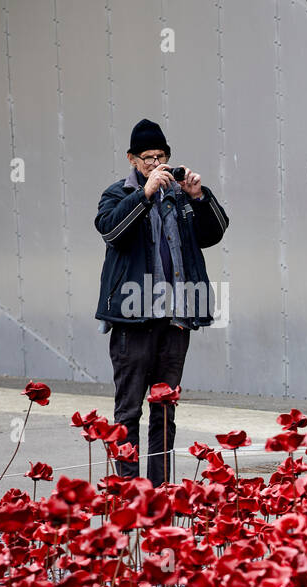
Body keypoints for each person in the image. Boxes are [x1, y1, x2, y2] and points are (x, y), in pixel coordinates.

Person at [93, 118, 229, 486]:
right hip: (132, 321)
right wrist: (145, 193)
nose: (156, 163)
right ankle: (127, 492)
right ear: (133, 159)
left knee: (164, 410)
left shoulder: (180, 197)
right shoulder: (118, 194)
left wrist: (199, 196)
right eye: (148, 157)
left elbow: (214, 232)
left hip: (175, 321)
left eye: (162, 156)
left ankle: (160, 490)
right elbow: (111, 231)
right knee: (129, 410)